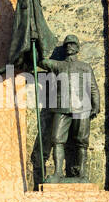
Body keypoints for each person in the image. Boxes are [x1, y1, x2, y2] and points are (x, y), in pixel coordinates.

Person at [37, 34, 101, 179]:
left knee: (82, 141)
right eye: (67, 44)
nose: (69, 47)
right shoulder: (58, 65)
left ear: (77, 48)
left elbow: (93, 88)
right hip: (62, 107)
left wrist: (96, 105)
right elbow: (42, 61)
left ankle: (82, 173)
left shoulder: (85, 67)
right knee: (57, 139)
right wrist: (37, 43)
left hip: (82, 107)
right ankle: (58, 172)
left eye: (72, 44)